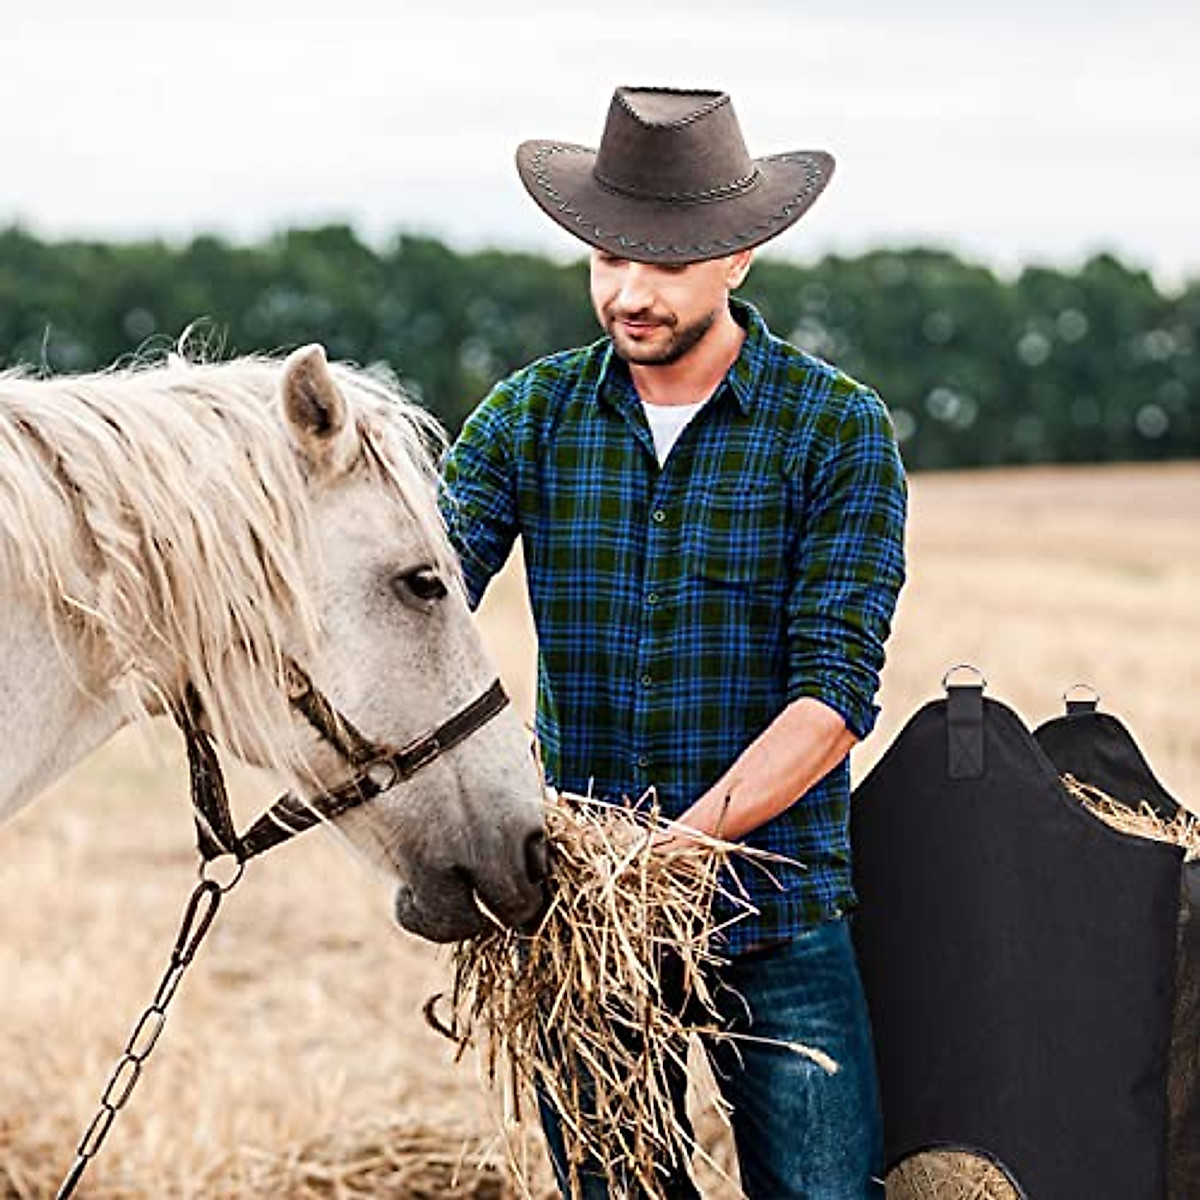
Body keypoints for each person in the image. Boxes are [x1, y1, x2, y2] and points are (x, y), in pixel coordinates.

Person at [440, 86, 907, 1199]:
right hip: (583, 924)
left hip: (777, 915)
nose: (629, 292)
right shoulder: (527, 417)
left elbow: (833, 695)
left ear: (740, 256)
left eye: (665, 264)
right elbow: (425, 598)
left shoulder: (836, 431)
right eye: (608, 258)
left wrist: (674, 856)